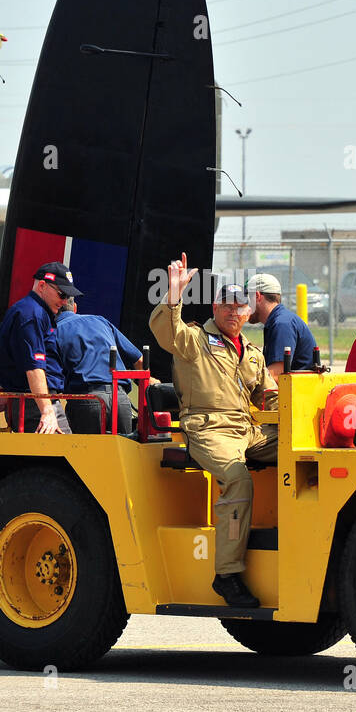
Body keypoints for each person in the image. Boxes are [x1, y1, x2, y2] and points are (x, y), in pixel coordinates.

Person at [149, 254, 277, 609]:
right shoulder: (195, 341)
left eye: (240, 307)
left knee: (304, 452)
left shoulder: (251, 353)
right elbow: (166, 332)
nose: (233, 313)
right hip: (208, 427)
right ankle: (227, 574)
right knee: (238, 479)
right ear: (214, 307)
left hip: (247, 429)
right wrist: (173, 294)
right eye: (226, 306)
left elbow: (268, 395)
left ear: (249, 313)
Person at [0, 261, 79, 433]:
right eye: (62, 295)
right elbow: (34, 368)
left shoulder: (25, 309)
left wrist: (1, 389)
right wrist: (47, 411)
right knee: (65, 453)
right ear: (42, 286)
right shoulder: (32, 315)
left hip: (30, 402)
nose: (64, 302)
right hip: (34, 405)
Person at [55, 298, 148, 434]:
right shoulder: (101, 321)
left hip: (87, 402)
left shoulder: (54, 331)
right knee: (122, 454)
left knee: (88, 454)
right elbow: (140, 361)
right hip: (120, 399)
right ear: (75, 308)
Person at [247, 272, 315, 377]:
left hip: (298, 392)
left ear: (257, 296)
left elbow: (275, 375)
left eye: (246, 299)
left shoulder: (282, 324)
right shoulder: (277, 321)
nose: (244, 305)